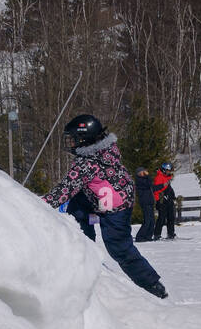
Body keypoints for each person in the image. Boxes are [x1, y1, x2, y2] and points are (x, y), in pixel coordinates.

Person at [42, 115, 168, 298]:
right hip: (105, 198)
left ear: (85, 139)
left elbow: (63, 191)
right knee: (77, 210)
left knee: (118, 247)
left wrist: (37, 205)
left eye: (73, 138)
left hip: (116, 209)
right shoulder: (106, 150)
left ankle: (152, 285)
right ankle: (83, 249)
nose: (70, 143)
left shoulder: (86, 164)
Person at [153, 162, 177, 240]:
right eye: (168, 171)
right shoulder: (159, 177)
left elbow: (169, 188)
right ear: (164, 170)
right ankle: (157, 234)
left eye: (170, 171)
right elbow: (156, 190)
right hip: (162, 201)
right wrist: (162, 196)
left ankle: (171, 233)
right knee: (162, 218)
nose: (169, 172)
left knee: (171, 217)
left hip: (168, 200)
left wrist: (172, 196)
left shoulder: (167, 177)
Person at [133, 167, 156, 242]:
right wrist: (147, 176)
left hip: (149, 201)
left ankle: (148, 236)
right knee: (147, 220)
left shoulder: (144, 179)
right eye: (143, 172)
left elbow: (150, 184)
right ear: (139, 173)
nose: (145, 173)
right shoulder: (139, 180)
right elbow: (148, 184)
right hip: (145, 202)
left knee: (152, 220)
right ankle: (140, 236)